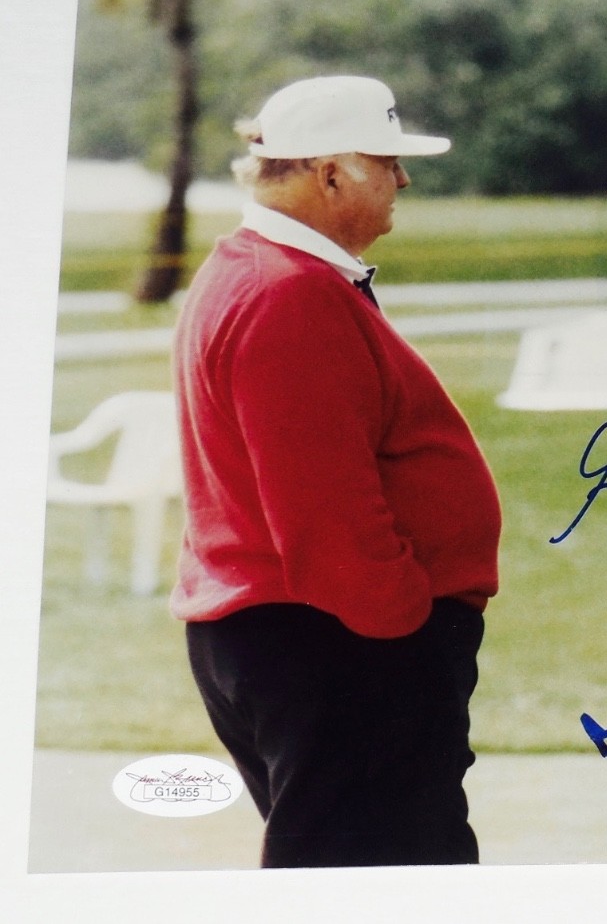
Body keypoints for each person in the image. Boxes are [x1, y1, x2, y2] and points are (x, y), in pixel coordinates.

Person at [170, 75, 502, 868]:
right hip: (338, 645)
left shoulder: (263, 271)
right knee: (377, 885)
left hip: (304, 638)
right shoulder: (285, 293)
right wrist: (408, 635)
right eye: (389, 161)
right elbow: (326, 520)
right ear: (330, 174)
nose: (404, 180)